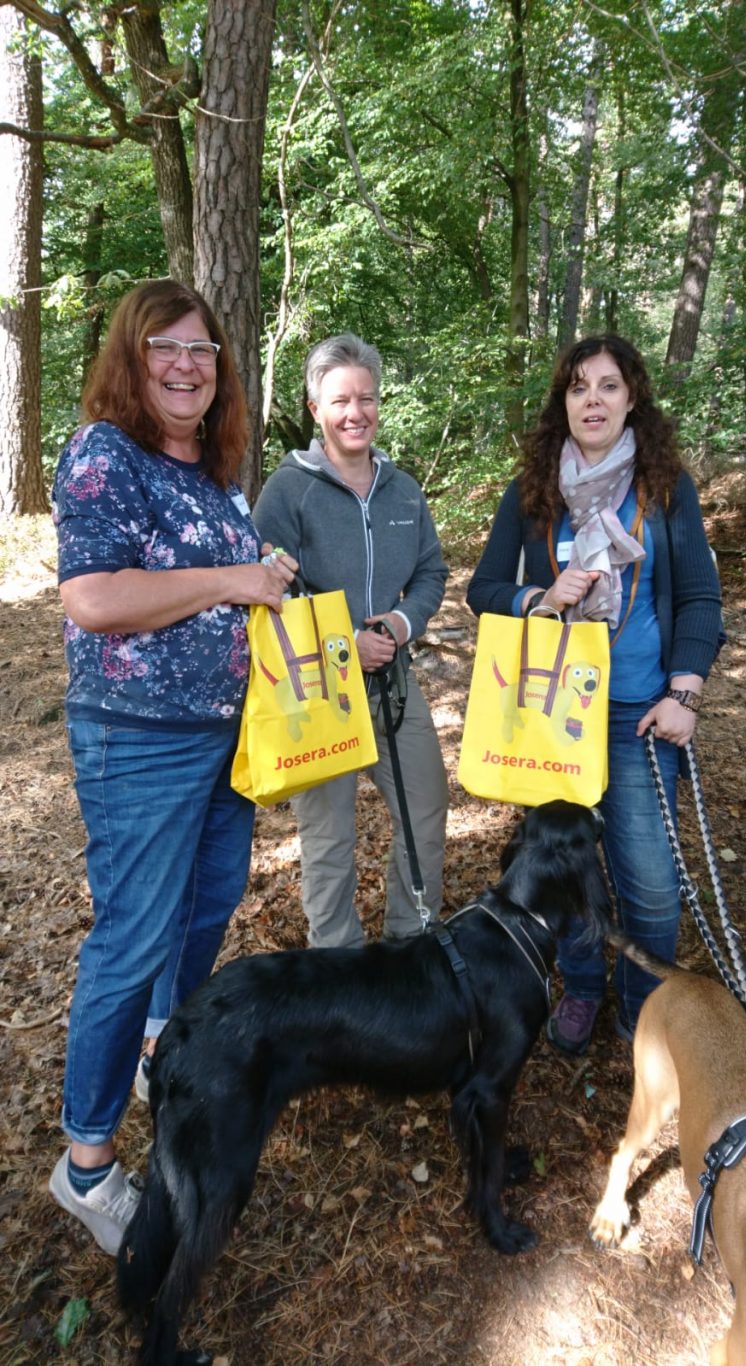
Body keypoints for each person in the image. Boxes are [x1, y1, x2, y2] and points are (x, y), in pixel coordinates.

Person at [49, 280, 296, 1254]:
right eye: (167, 347)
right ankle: (87, 1163)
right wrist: (233, 577)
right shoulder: (104, 455)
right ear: (133, 358)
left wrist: (270, 582)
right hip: (139, 734)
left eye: (204, 349)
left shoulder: (214, 472)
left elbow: (226, 585)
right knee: (132, 933)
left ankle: (162, 1047)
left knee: (207, 904)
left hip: (224, 735)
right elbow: (96, 597)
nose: (189, 364)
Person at [467, 334, 723, 1055]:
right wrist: (539, 596)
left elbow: (702, 597)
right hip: (552, 720)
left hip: (640, 714)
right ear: (564, 402)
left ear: (632, 398)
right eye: (579, 388)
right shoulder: (536, 490)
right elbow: (481, 589)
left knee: (650, 888)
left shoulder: (665, 488)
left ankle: (644, 1009)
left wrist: (686, 693)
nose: (593, 401)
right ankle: (579, 987)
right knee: (559, 871)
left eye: (609, 386)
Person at [254, 332, 449, 948]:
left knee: (425, 810)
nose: (354, 412)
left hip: (393, 682)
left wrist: (399, 624)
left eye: (366, 398)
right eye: (340, 400)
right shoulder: (288, 490)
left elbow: (431, 572)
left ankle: (408, 951)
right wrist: (343, 641)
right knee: (330, 836)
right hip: (317, 691)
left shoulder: (403, 490)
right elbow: (266, 591)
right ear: (316, 409)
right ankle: (336, 969)